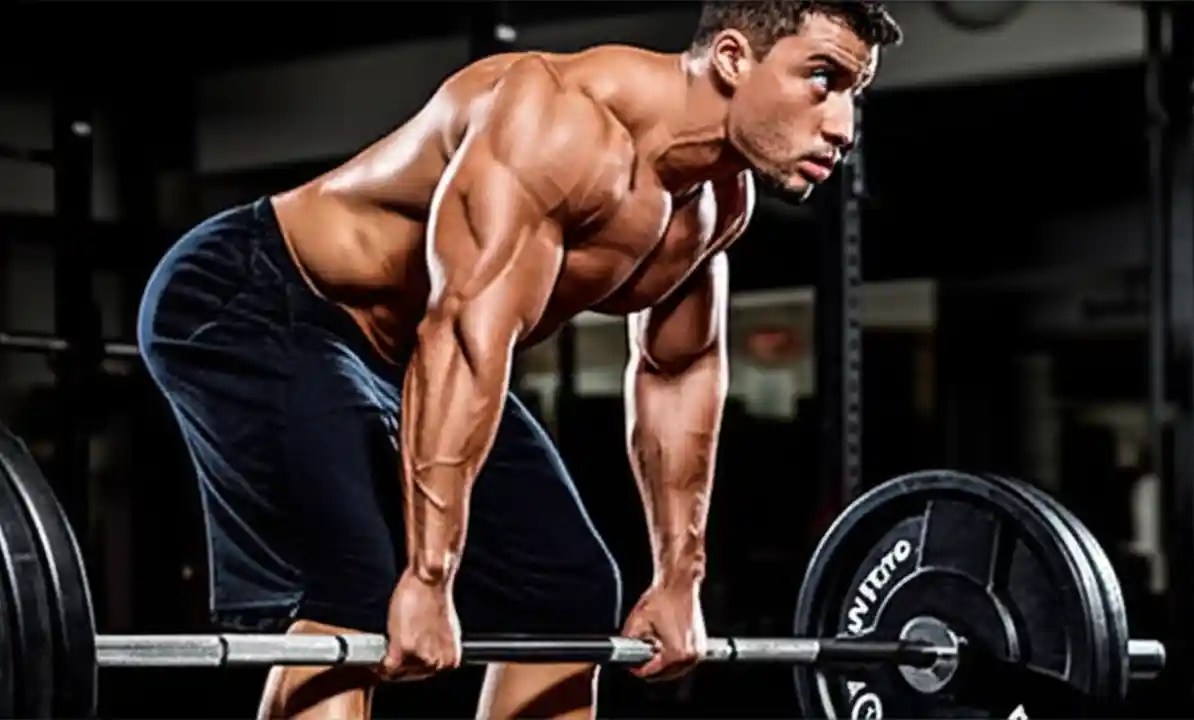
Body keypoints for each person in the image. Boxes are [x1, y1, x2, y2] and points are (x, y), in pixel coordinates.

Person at [135, 1, 902, 717]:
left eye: (855, 93)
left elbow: (679, 372)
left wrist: (678, 578)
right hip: (257, 296)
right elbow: (464, 332)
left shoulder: (713, 206)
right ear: (734, 57)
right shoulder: (560, 124)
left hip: (406, 351)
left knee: (565, 593)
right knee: (354, 592)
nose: (843, 124)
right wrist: (430, 575)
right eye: (822, 79)